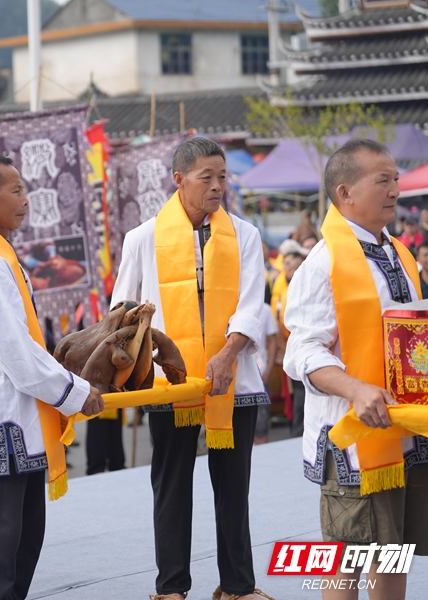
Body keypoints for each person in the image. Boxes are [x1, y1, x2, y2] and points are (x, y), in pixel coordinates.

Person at [0, 153, 104, 600]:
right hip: (0, 426)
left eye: (25, 189)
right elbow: (18, 356)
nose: (25, 200)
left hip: (15, 423)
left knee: (22, 542)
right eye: (17, 190)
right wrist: (77, 392)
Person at [110, 138, 271, 600]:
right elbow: (121, 310)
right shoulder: (142, 238)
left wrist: (227, 352)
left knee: (233, 487)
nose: (219, 185)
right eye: (208, 177)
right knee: (172, 484)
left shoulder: (244, 234)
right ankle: (171, 588)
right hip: (168, 382)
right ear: (179, 180)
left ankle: (238, 586)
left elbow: (252, 303)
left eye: (223, 176)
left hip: (231, 377)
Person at [284, 139, 428, 599]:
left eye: (395, 180)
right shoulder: (323, 262)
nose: (394, 190)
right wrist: (356, 388)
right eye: (382, 180)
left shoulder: (400, 254)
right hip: (354, 434)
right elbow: (301, 352)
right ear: (345, 193)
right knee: (347, 557)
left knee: (392, 551)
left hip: (401, 430)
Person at [271, 239, 309, 438]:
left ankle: (303, 431)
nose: (289, 269)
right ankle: (296, 431)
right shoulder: (280, 288)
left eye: (294, 266)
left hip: (306, 344)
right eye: (286, 265)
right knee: (295, 392)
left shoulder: (307, 286)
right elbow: (277, 317)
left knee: (305, 392)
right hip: (288, 345)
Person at [255, 285, 279, 445]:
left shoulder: (265, 310)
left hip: (261, 372)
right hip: (237, 376)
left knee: (261, 422)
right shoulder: (229, 308)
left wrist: (269, 369)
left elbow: (273, 342)